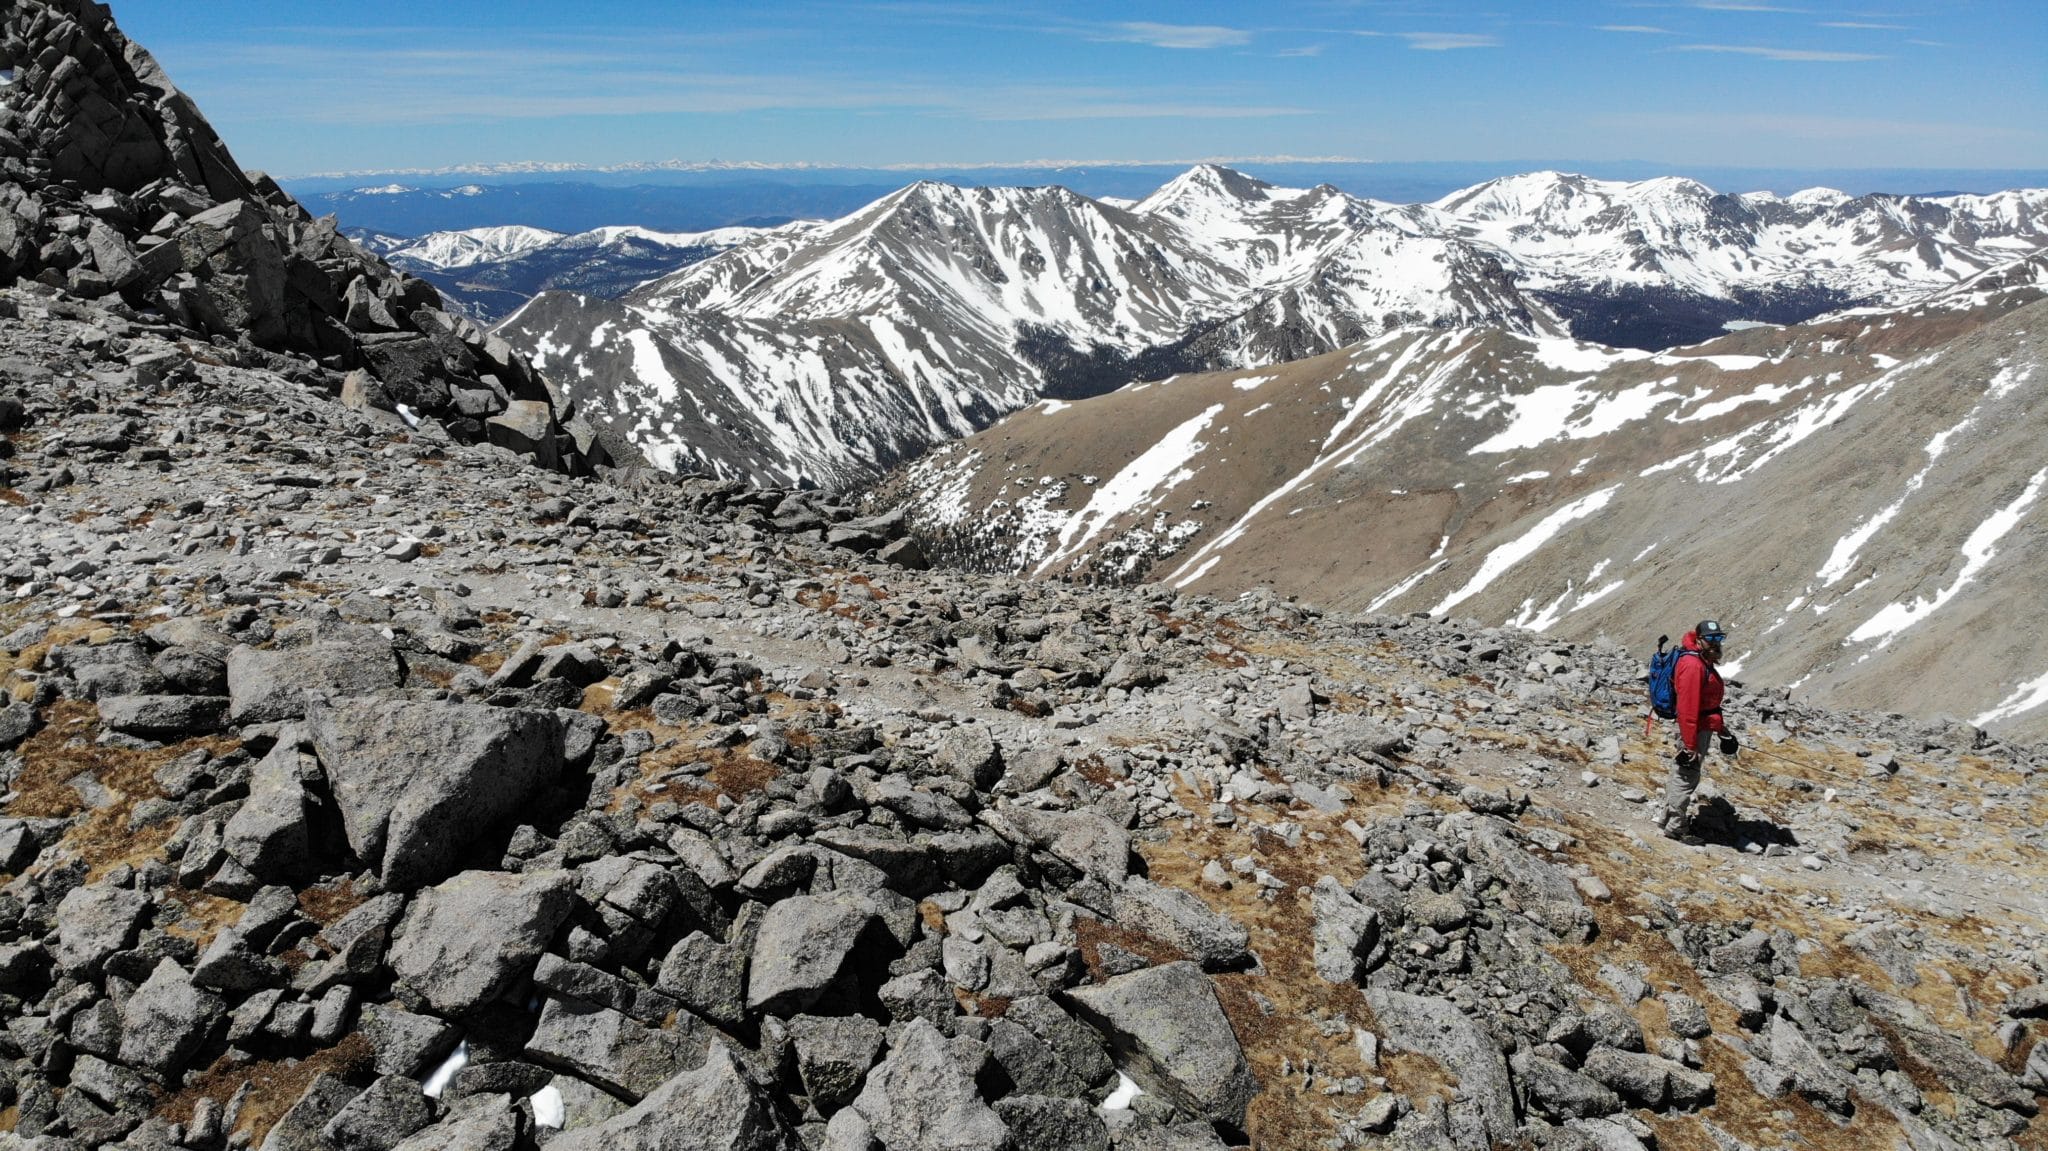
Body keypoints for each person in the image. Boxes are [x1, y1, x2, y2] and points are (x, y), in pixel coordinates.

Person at [1658, 619, 1738, 841]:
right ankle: (1676, 827)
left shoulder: (1702, 660)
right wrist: (1690, 744)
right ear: (1700, 640)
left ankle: (1667, 818)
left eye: (1718, 638)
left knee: (1683, 774)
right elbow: (1688, 709)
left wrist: (1723, 731)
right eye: (1710, 639)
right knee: (1686, 776)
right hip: (1693, 730)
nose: (1715, 643)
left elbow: (1707, 705)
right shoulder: (1693, 666)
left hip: (1700, 727)